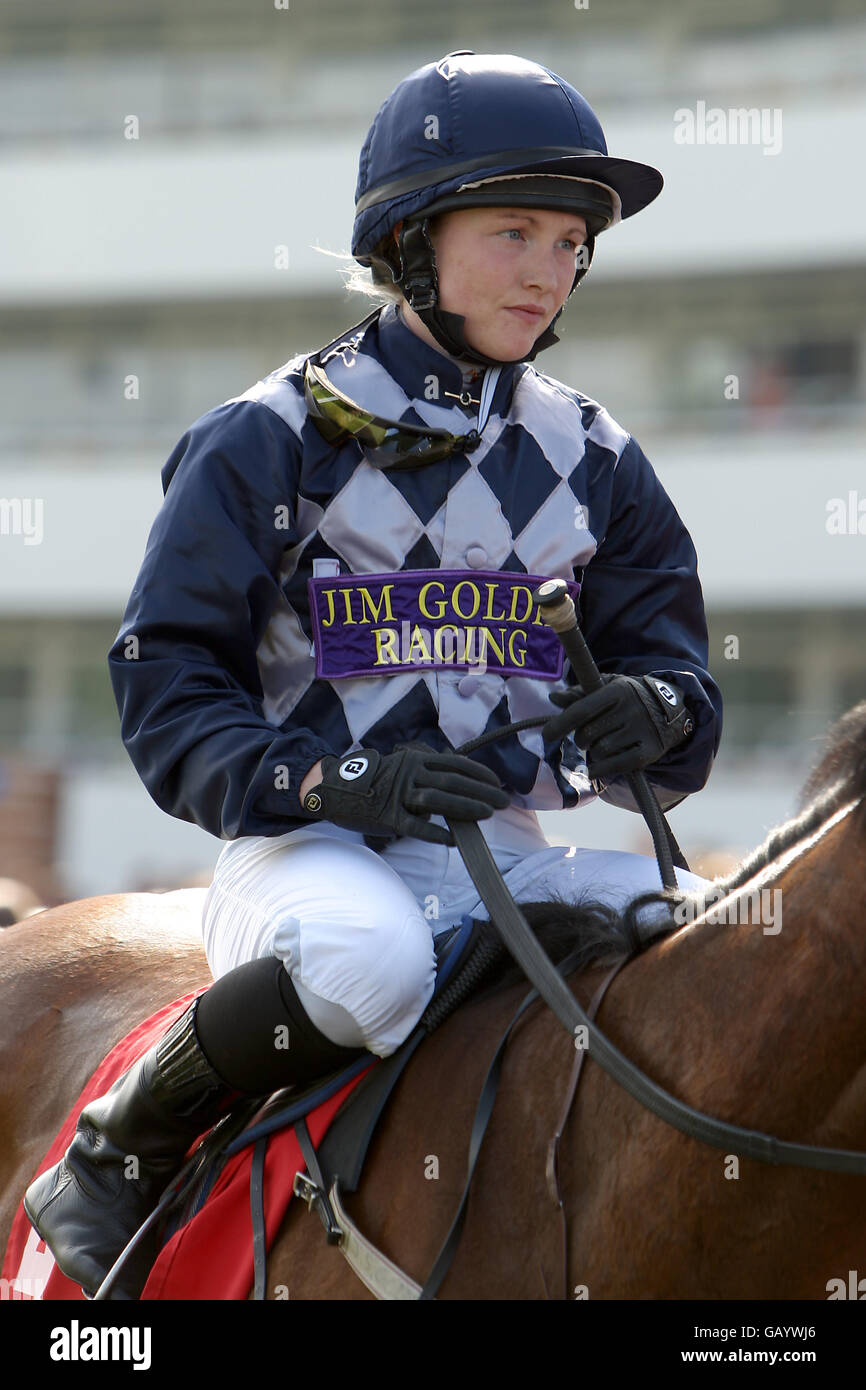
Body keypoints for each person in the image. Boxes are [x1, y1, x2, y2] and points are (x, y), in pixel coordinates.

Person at [24, 51, 723, 1297]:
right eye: (512, 230)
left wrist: (656, 706)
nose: (547, 269)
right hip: (307, 851)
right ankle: (118, 1140)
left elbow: (676, 677)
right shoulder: (264, 438)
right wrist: (334, 777)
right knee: (372, 966)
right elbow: (167, 684)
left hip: (508, 847)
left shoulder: (598, 457)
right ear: (409, 239)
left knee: (704, 952)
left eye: (569, 242)